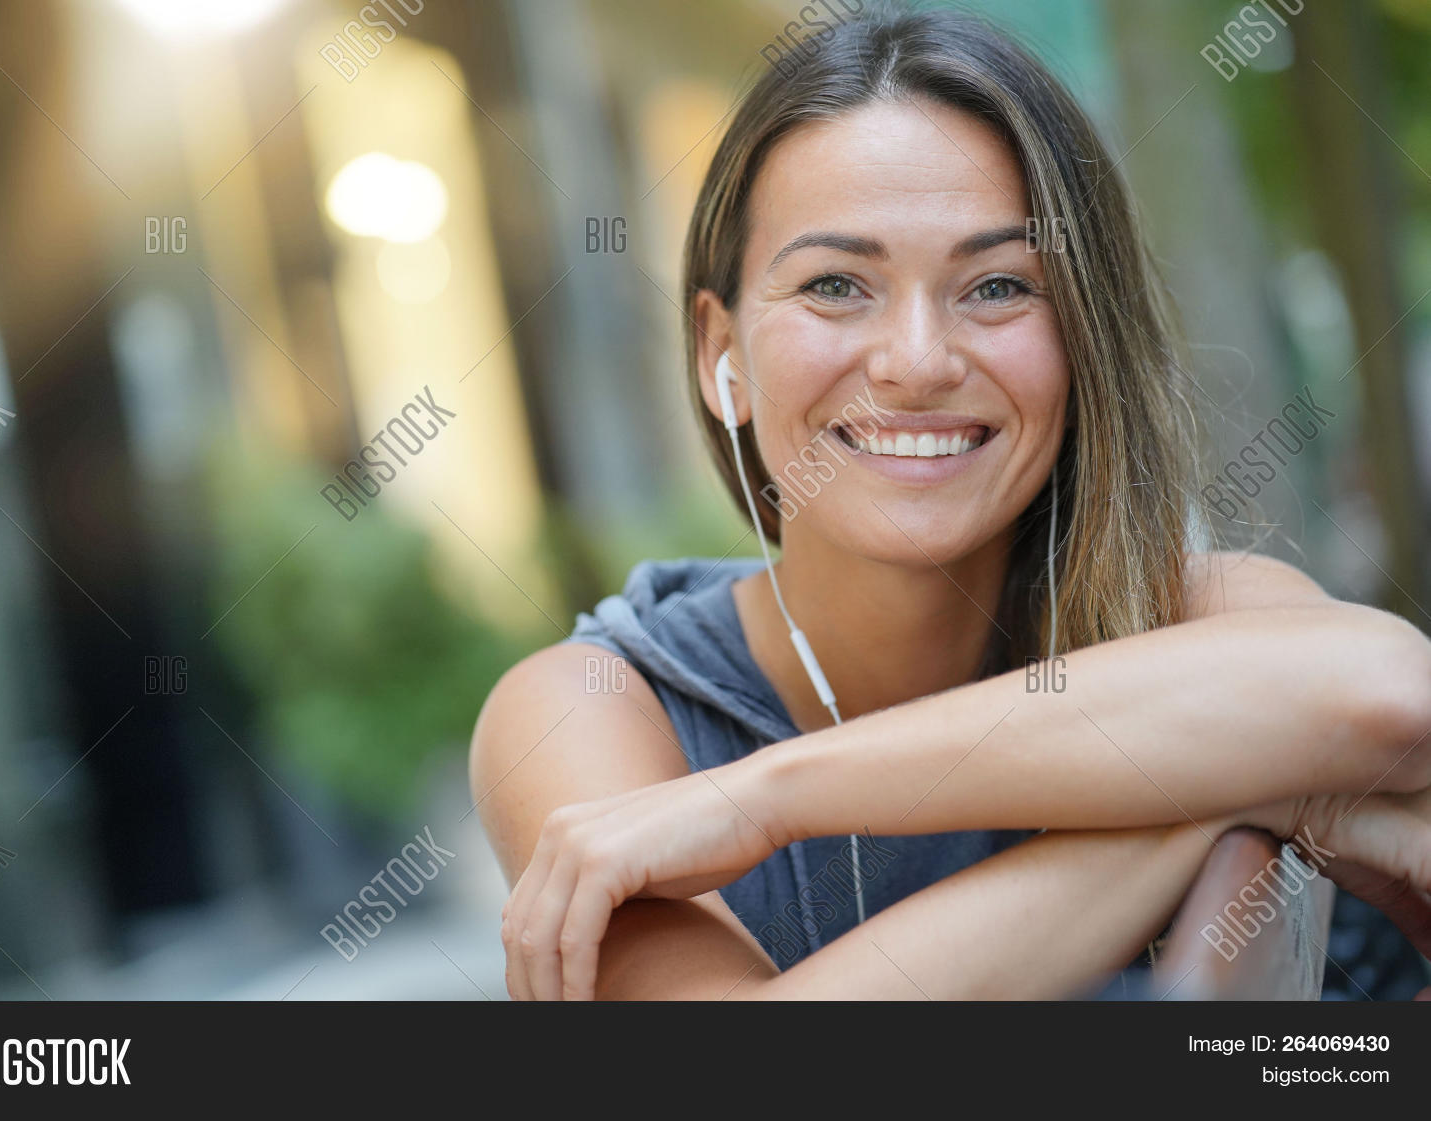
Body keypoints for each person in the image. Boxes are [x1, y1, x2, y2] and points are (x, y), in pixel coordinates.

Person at [470, 7, 1431, 1000]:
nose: (919, 361)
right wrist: (1230, 793)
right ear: (722, 355)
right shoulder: (591, 709)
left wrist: (763, 798)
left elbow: (1395, 690)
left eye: (998, 285)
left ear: (1083, 340)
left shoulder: (1189, 614)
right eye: (838, 283)